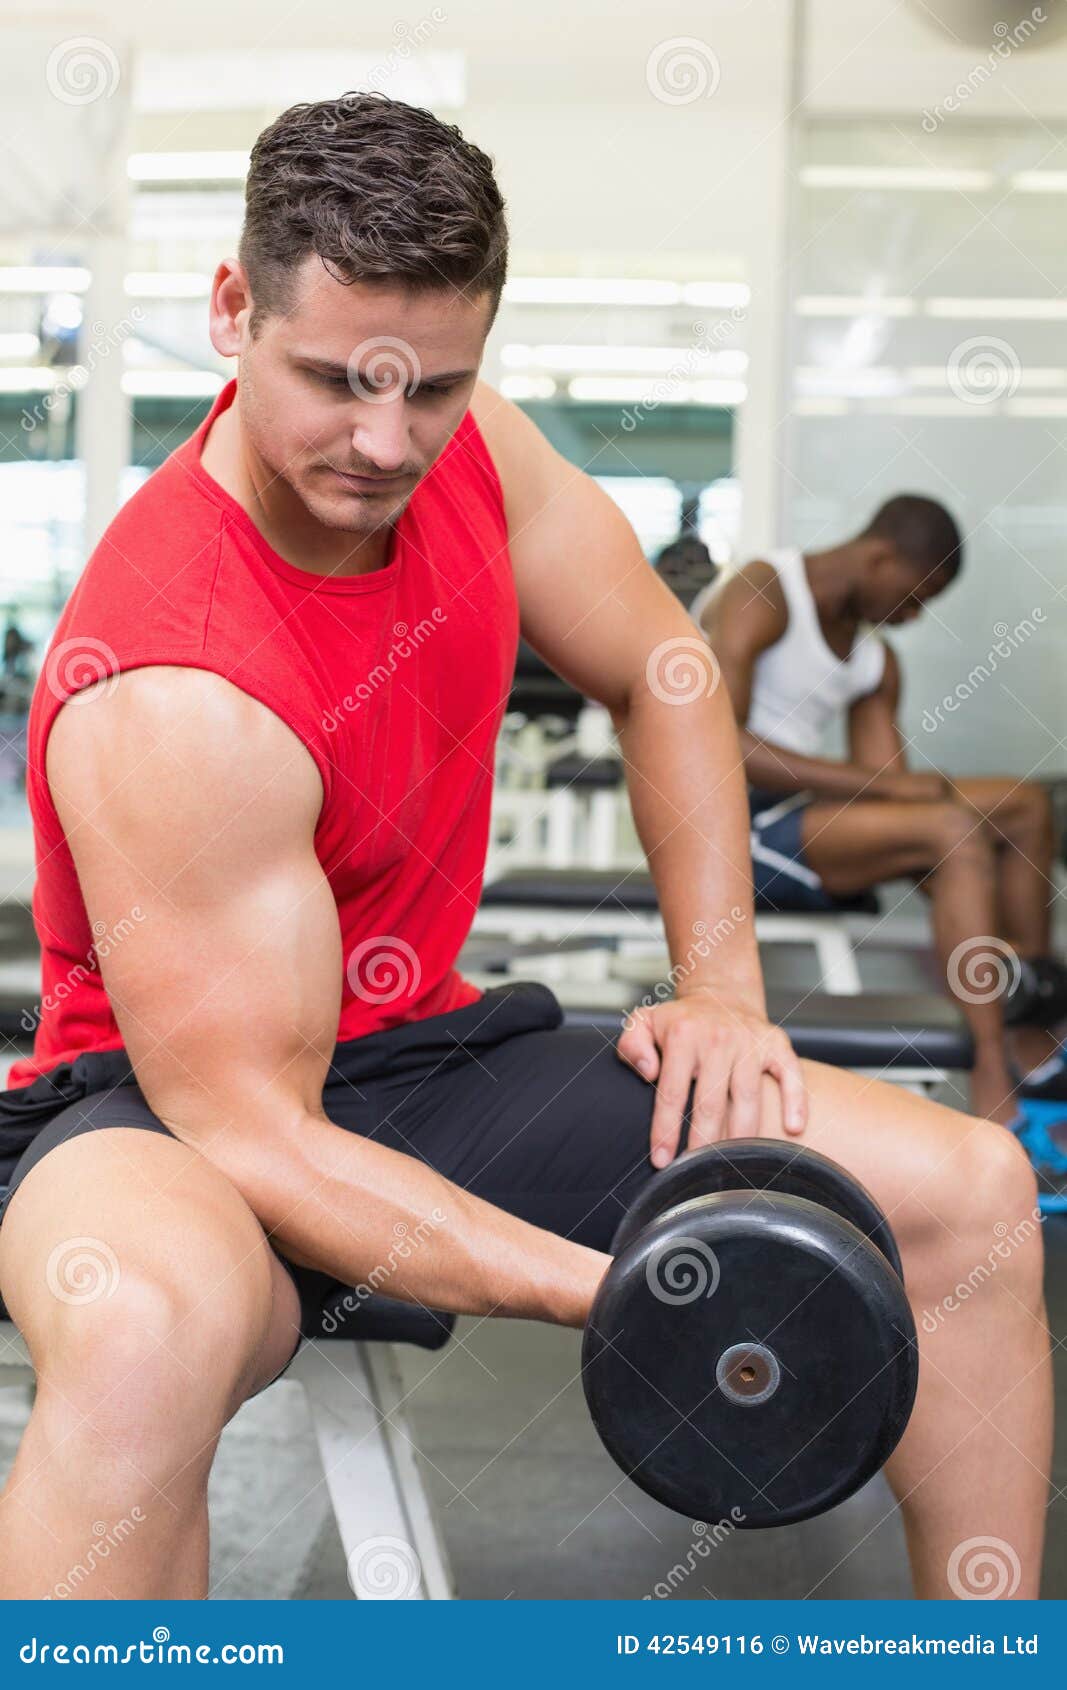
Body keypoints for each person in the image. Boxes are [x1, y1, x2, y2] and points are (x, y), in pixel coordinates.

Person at [0, 94, 1048, 1601]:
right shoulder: (175, 682)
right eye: (336, 383)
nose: (384, 441)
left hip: (421, 1059)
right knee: (142, 1327)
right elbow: (252, 1132)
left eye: (428, 385)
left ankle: (977, 1649)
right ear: (231, 311)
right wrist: (630, 1288)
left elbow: (666, 674)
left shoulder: (470, 446)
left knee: (967, 1193)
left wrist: (720, 986)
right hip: (164, 1112)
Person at [699, 500, 1066, 1137]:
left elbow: (892, 801)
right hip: (727, 828)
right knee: (952, 829)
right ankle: (991, 1089)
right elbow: (720, 742)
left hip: (808, 820)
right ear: (880, 558)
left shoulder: (874, 660)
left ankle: (1026, 1022)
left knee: (1025, 807)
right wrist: (933, 829)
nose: (915, 615)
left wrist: (963, 880)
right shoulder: (763, 591)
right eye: (916, 595)